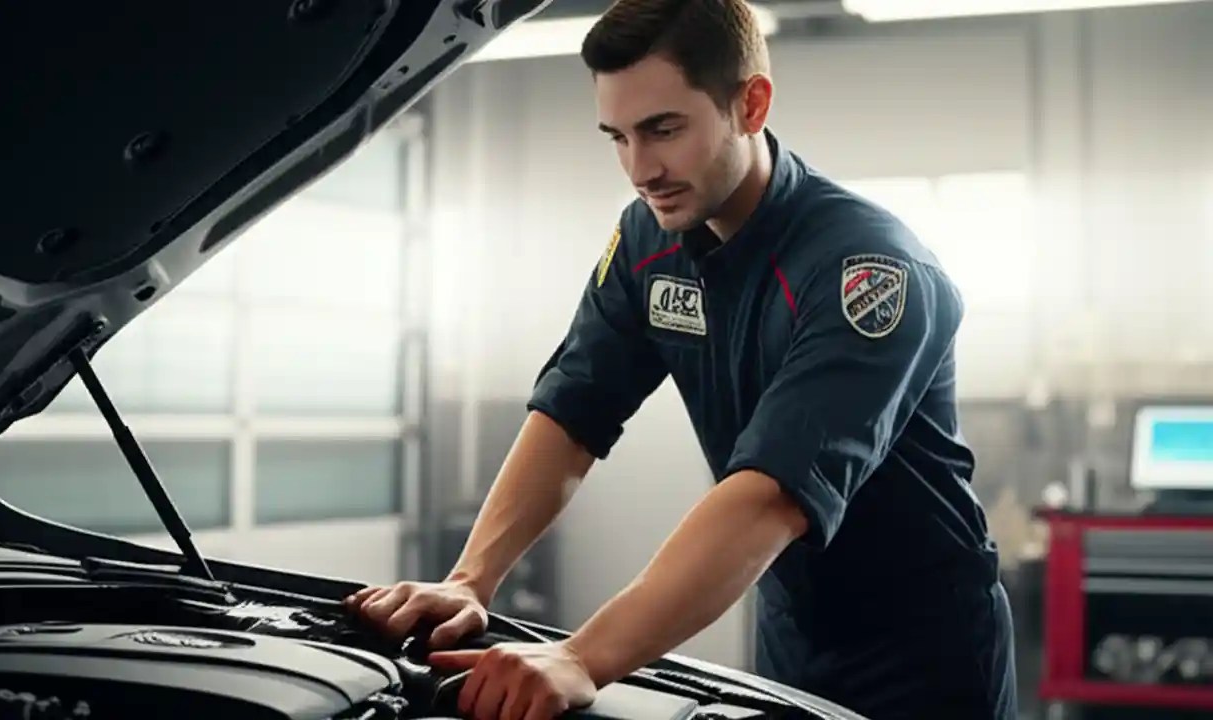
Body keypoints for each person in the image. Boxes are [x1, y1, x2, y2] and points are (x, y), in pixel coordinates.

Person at [344, 0, 1018, 718]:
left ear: (751, 103)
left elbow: (771, 494)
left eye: (664, 130)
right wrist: (470, 580)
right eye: (618, 137)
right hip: (790, 625)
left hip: (923, 647)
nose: (641, 169)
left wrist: (582, 656)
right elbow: (574, 409)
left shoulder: (869, 270)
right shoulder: (649, 238)